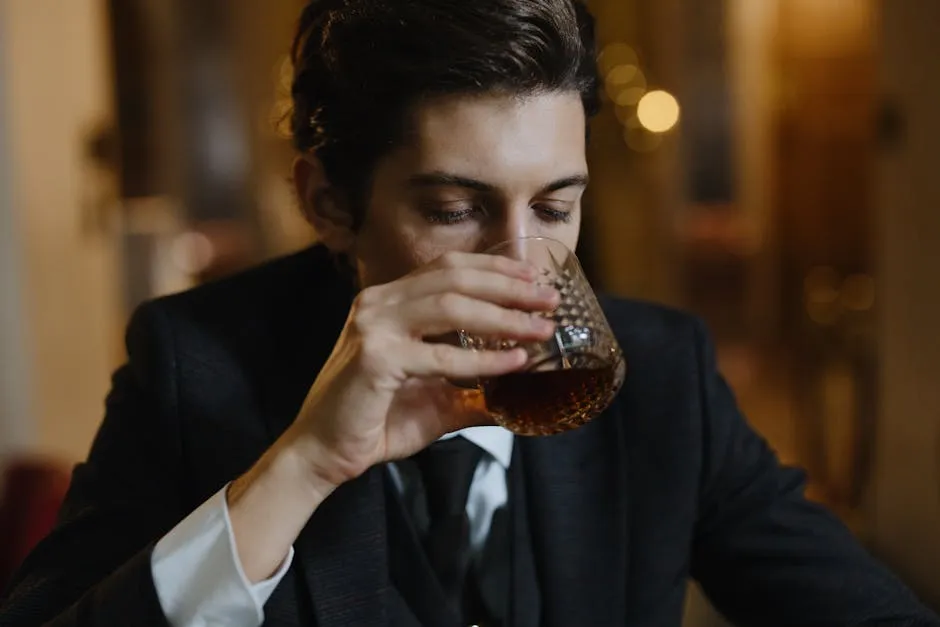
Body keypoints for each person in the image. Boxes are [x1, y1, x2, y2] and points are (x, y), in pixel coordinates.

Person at [1, 0, 938, 625]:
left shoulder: (664, 371)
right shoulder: (190, 359)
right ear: (329, 202)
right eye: (456, 209)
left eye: (556, 206)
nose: (523, 264)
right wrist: (299, 469)